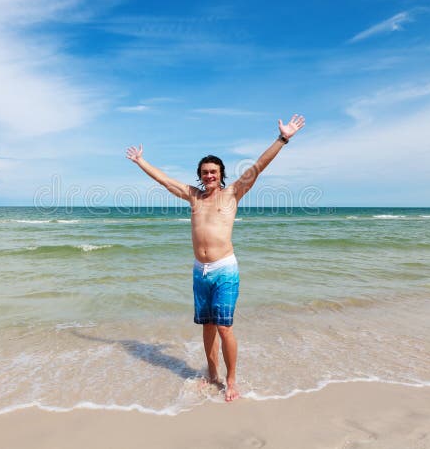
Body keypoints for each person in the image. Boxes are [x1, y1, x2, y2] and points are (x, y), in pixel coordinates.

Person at [125, 114, 306, 402]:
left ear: (221, 174)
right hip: (200, 271)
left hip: (224, 269)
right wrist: (140, 162)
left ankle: (231, 380)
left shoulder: (234, 193)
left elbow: (258, 166)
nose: (209, 176)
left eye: (213, 172)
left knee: (224, 327)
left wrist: (283, 139)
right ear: (200, 175)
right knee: (208, 327)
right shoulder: (193, 197)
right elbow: (164, 180)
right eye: (205, 172)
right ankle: (212, 376)